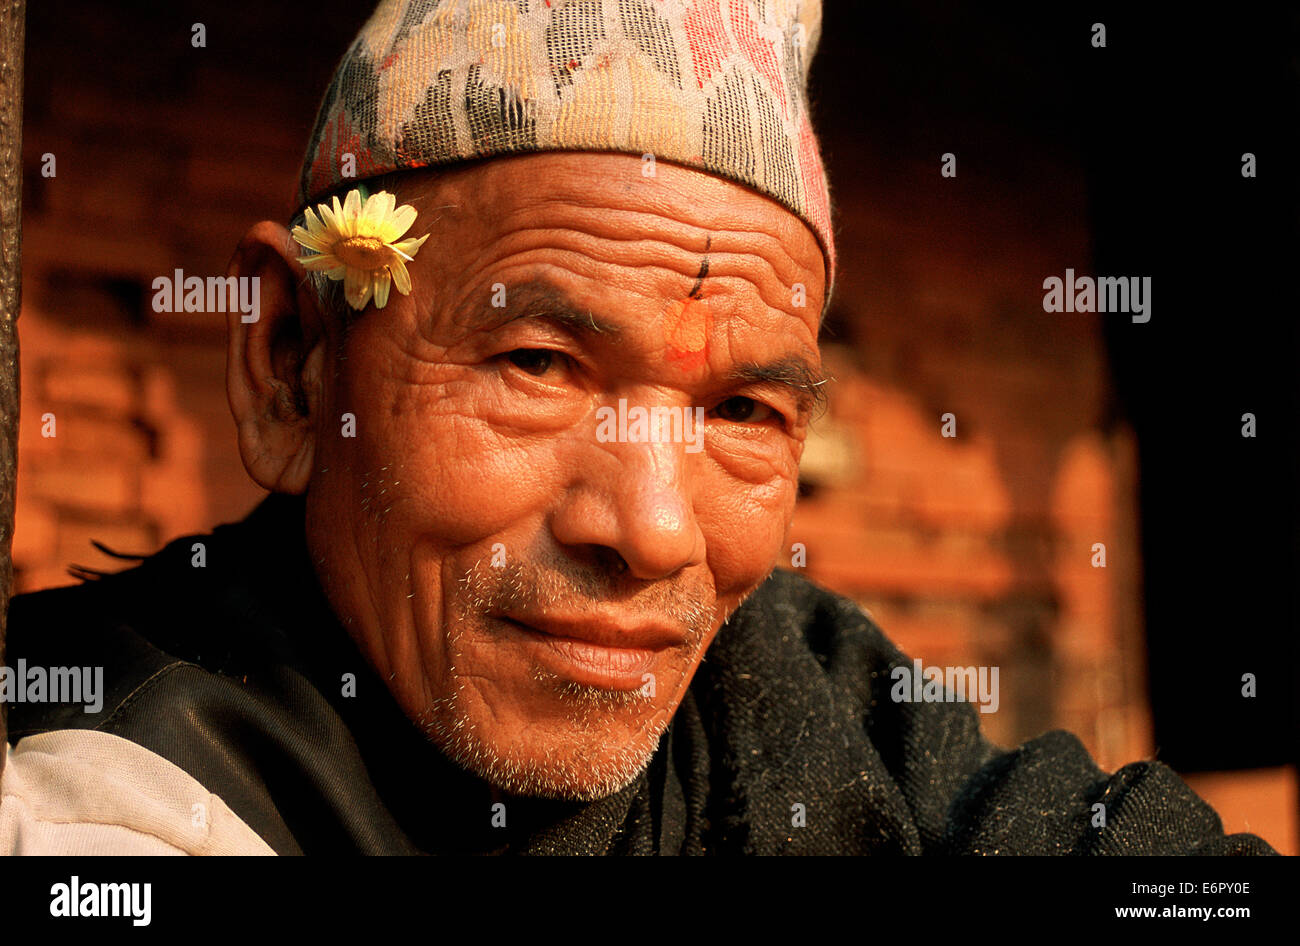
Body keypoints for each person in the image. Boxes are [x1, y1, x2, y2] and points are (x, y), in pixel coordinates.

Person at [4, 0, 1276, 855]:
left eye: (741, 410)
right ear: (292, 366)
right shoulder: (123, 803)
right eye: (541, 362)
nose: (656, 532)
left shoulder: (781, 676)